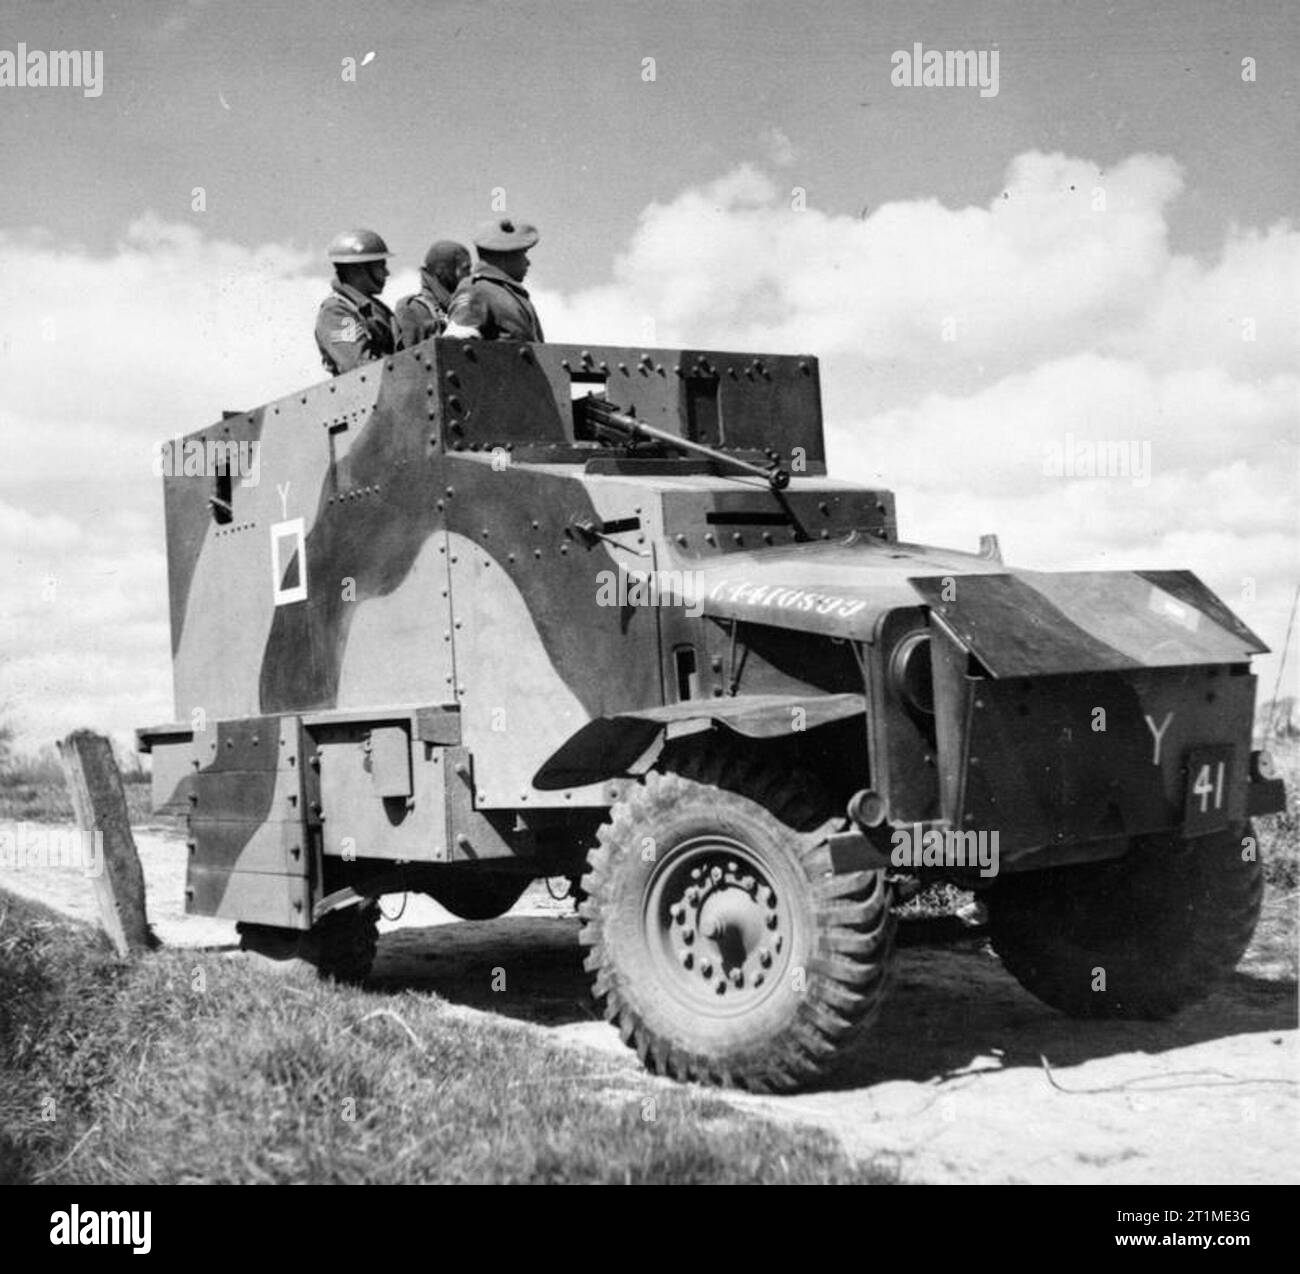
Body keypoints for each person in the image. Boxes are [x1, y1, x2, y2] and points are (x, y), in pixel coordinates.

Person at [443, 217, 544, 341]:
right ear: (506, 257)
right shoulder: (475, 290)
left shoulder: (511, 294)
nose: (527, 262)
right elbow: (454, 348)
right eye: (523, 254)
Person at [314, 229, 399, 375]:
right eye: (380, 266)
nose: (386, 273)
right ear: (359, 268)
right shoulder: (337, 312)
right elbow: (359, 367)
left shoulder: (379, 310)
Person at [395, 240, 471, 347]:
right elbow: (408, 359)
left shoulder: (465, 308)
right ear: (443, 271)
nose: (469, 275)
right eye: (465, 269)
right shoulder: (414, 310)